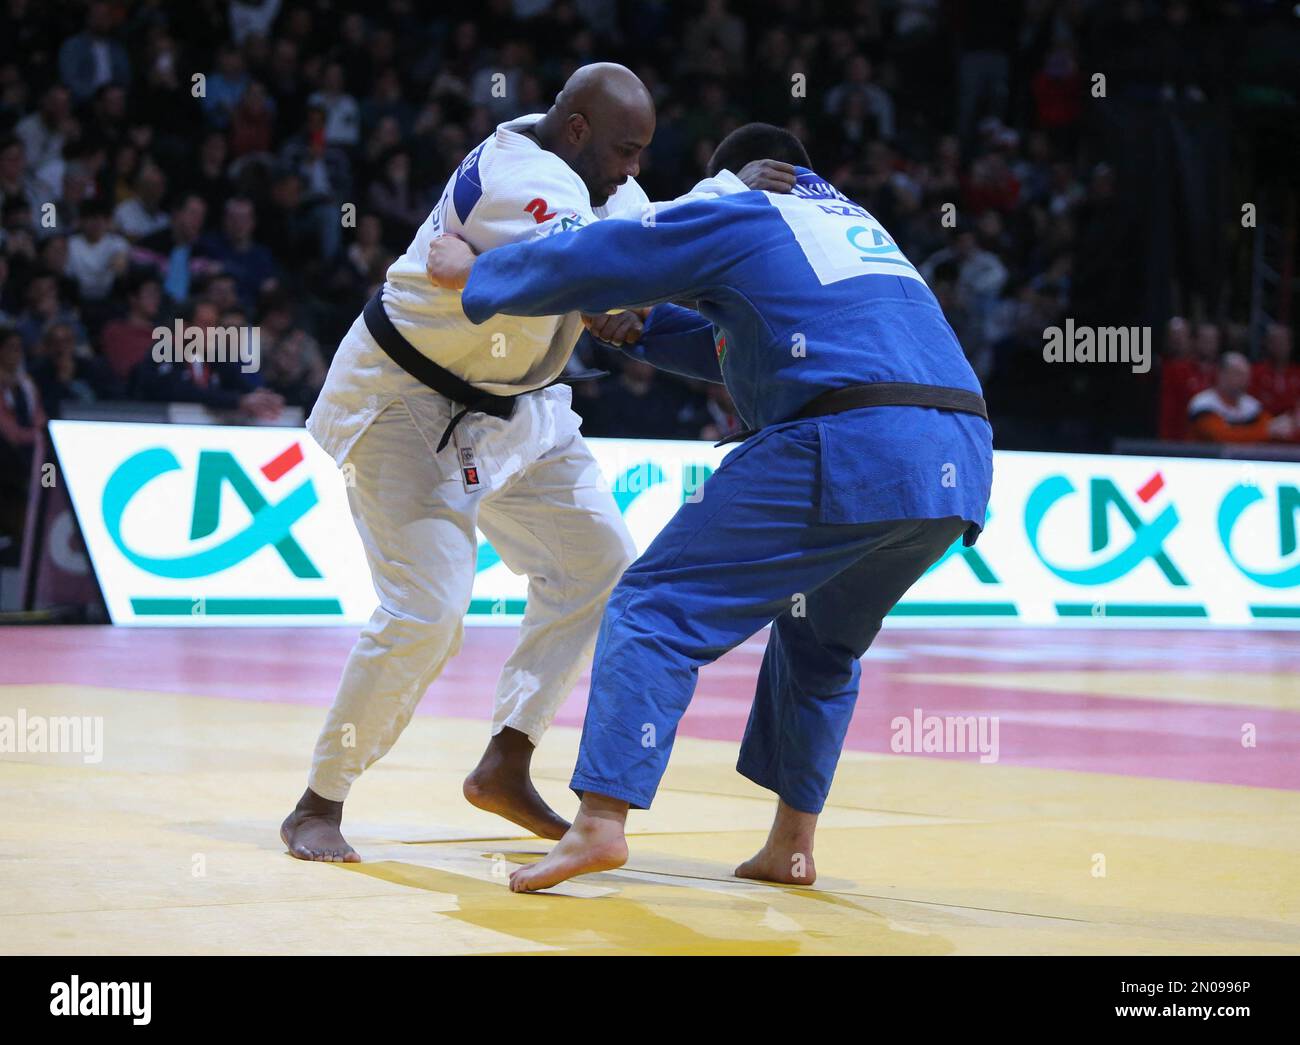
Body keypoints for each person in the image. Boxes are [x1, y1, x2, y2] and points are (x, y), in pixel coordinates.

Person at [427, 123, 994, 892]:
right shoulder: (855, 227)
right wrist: (640, 327)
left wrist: (482, 272)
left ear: (733, 177)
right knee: (819, 640)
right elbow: (750, 339)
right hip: (957, 459)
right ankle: (792, 845)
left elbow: (608, 252)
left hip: (855, 437)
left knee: (654, 603)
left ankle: (599, 823)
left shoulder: (741, 205)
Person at [278, 63, 660, 863]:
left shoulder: (605, 177)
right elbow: (585, 279)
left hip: (520, 406)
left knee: (599, 561)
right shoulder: (523, 173)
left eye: (643, 153)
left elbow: (637, 275)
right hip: (408, 402)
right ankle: (319, 800)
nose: (635, 169)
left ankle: (507, 758)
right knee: (427, 611)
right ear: (580, 130)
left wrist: (622, 297)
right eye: (626, 149)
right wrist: (606, 302)